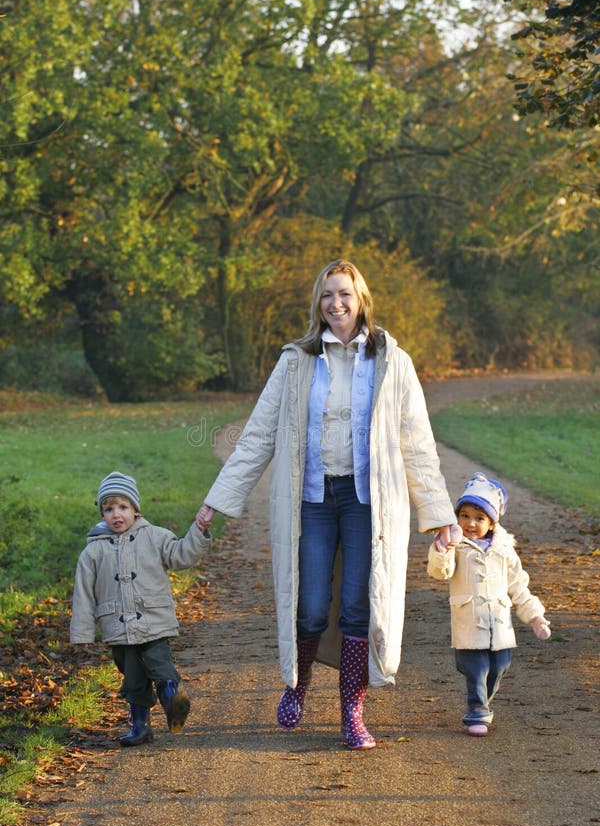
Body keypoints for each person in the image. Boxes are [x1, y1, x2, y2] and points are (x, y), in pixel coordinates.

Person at [196, 258, 457, 750]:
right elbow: (257, 436)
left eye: (345, 294)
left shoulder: (390, 360)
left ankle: (351, 712)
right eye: (326, 295)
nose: (336, 303)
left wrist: (439, 515)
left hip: (367, 502)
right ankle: (297, 686)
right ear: (317, 303)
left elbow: (416, 442)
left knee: (360, 605)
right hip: (314, 499)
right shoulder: (296, 360)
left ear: (361, 300)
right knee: (312, 605)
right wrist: (218, 501)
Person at [71, 471, 211, 747]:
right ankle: (140, 725)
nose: (116, 514)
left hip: (153, 620)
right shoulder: (92, 552)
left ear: (135, 510)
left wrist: (199, 530)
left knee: (159, 663)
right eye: (108, 509)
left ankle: (173, 699)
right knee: (132, 677)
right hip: (117, 626)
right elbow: (83, 595)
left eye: (122, 507)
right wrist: (82, 631)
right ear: (102, 514)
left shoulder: (155, 537)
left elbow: (182, 554)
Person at [427, 471, 551, 737]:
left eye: (479, 518)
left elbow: (518, 585)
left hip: (500, 624)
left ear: (492, 523)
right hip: (469, 622)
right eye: (465, 516)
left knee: (499, 666)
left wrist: (535, 617)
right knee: (477, 669)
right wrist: (442, 549)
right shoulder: (455, 545)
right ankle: (477, 710)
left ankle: (483, 703)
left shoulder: (504, 549)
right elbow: (440, 573)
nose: (471, 523)